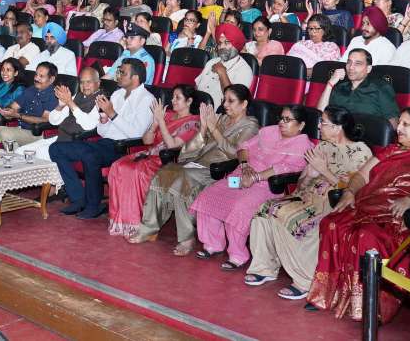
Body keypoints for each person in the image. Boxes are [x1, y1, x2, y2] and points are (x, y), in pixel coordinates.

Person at [305, 107, 410, 320]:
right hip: (366, 206)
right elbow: (362, 175)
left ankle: (368, 304)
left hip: (396, 216)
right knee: (331, 223)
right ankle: (329, 294)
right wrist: (350, 191)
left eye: (406, 125)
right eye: (400, 123)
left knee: (365, 236)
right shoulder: (390, 151)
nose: (399, 128)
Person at [246, 106, 373, 300]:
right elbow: (302, 182)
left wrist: (324, 171)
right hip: (308, 196)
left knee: (289, 218)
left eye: (324, 123)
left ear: (338, 128)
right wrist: (309, 176)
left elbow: (354, 190)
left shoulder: (360, 152)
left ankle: (305, 280)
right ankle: (265, 267)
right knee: (267, 208)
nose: (319, 126)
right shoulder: (321, 146)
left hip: (334, 203)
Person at [132, 85, 258, 254]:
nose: (225, 104)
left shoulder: (250, 125)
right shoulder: (220, 119)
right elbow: (200, 143)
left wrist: (212, 128)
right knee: (163, 174)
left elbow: (235, 152)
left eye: (231, 101)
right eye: (224, 100)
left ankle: (187, 238)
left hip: (219, 171)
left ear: (244, 104)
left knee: (181, 181)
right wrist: (205, 129)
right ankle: (148, 227)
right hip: (197, 163)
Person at [190, 105, 312, 270]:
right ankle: (213, 243)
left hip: (265, 186)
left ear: (301, 125)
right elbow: (243, 147)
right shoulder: (269, 131)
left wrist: (256, 177)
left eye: (288, 120)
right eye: (281, 118)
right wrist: (246, 165)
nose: (282, 123)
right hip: (239, 178)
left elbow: (284, 168)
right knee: (211, 194)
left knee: (239, 206)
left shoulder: (303, 146)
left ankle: (237, 254)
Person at [50, 58, 153, 220]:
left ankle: (94, 205)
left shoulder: (147, 99)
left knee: (90, 156)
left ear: (135, 77)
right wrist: (104, 121)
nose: (118, 75)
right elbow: (103, 130)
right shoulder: (118, 94)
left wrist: (112, 114)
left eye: (122, 73)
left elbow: (137, 133)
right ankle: (79, 198)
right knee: (56, 149)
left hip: (124, 148)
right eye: (118, 72)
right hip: (104, 143)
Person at [107, 84, 202, 237]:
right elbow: (146, 140)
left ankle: (138, 223)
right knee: (118, 166)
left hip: (169, 161)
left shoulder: (193, 122)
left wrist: (161, 121)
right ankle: (121, 221)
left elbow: (171, 145)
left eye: (178, 98)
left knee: (135, 171)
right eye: (173, 97)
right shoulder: (167, 114)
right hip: (150, 153)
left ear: (189, 101)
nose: (173, 100)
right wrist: (155, 124)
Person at [0, 61, 60, 145]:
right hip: (19, 128)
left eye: (41, 76)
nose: (36, 78)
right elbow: (13, 107)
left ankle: (13, 158)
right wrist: (7, 112)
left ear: (51, 79)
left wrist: (18, 116)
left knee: (7, 134)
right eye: (36, 74)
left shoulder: (54, 95)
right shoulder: (30, 90)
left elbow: (44, 120)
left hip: (36, 134)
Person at [317, 49, 398, 123]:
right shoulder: (339, 87)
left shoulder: (381, 88)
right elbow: (320, 115)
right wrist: (330, 84)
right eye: (349, 62)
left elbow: (392, 122)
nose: (351, 67)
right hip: (336, 135)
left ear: (368, 69)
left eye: (357, 63)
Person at [195, 22, 254, 107]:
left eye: (227, 42)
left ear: (236, 45)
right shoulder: (211, 62)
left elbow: (234, 101)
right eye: (220, 43)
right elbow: (196, 87)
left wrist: (222, 72)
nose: (222, 47)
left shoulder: (244, 70)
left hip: (220, 116)